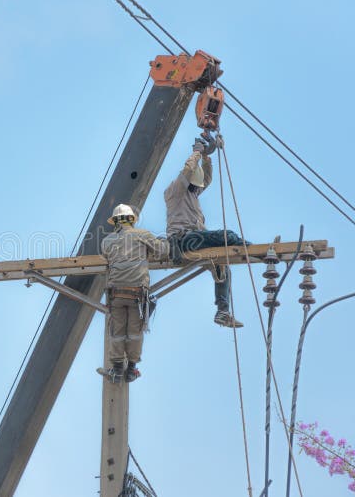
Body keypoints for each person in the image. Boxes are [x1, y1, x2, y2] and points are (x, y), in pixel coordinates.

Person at [164, 136, 248, 328]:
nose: (197, 189)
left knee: (223, 266)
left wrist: (207, 157)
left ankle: (222, 311)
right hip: (183, 240)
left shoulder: (192, 193)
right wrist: (197, 152)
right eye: (195, 185)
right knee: (228, 237)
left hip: (195, 238)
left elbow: (206, 179)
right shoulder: (176, 191)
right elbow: (187, 171)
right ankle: (246, 245)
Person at [98, 203, 168, 383]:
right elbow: (162, 252)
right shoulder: (142, 235)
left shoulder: (106, 241)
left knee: (117, 332)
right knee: (135, 333)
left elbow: (109, 255)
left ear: (115, 222)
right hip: (137, 294)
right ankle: (131, 369)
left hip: (117, 296)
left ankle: (117, 370)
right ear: (132, 220)